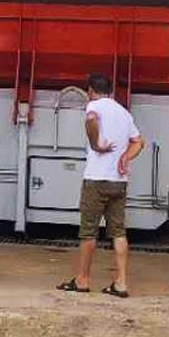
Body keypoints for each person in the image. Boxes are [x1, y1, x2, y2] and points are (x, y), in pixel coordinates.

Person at [57, 73, 145, 298]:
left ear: (90, 90)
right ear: (110, 91)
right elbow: (139, 141)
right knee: (118, 231)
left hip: (96, 179)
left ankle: (83, 279)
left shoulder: (94, 106)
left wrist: (95, 144)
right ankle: (121, 283)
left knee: (88, 232)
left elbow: (91, 120)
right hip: (118, 181)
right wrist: (125, 157)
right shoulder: (123, 112)